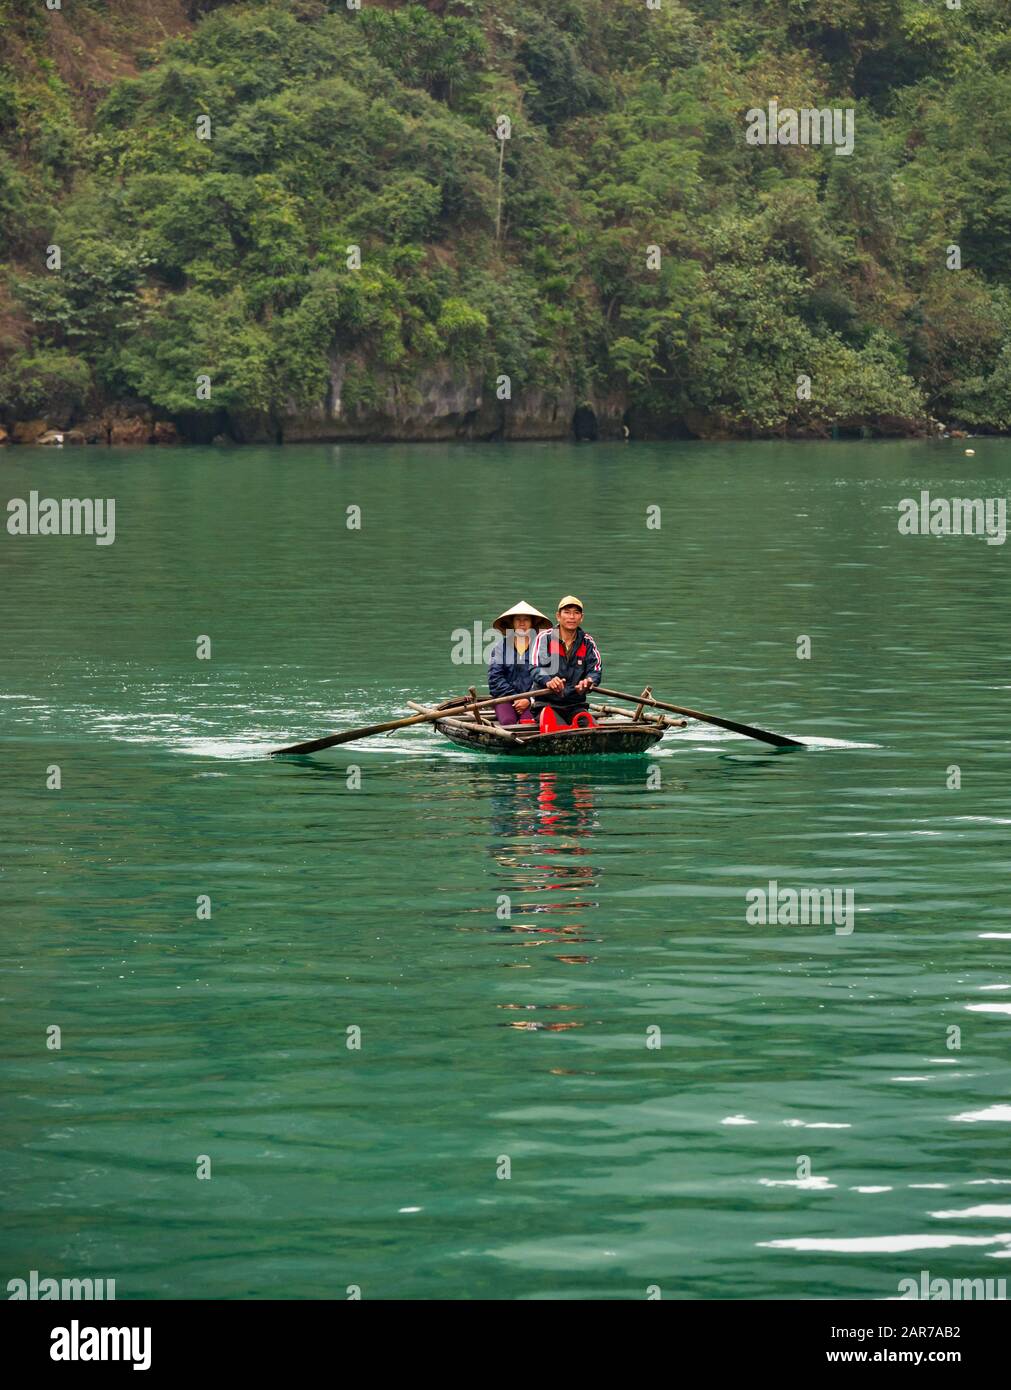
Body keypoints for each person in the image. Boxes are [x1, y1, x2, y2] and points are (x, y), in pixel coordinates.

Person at [530, 596, 602, 724]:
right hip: (546, 704)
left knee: (591, 726)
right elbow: (535, 667)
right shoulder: (544, 638)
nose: (572, 617)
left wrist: (589, 681)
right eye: (567, 612)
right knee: (557, 730)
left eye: (576, 613)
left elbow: (595, 670)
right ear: (558, 616)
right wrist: (548, 681)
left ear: (581, 617)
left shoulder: (588, 642)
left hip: (576, 704)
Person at [487, 601, 551, 726]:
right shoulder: (501, 647)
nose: (522, 623)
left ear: (532, 623)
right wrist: (515, 697)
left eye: (526, 619)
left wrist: (528, 699)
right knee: (508, 722)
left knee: (528, 723)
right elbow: (495, 678)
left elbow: (545, 677)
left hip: (533, 699)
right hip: (505, 697)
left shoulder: (541, 648)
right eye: (518, 620)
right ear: (512, 623)